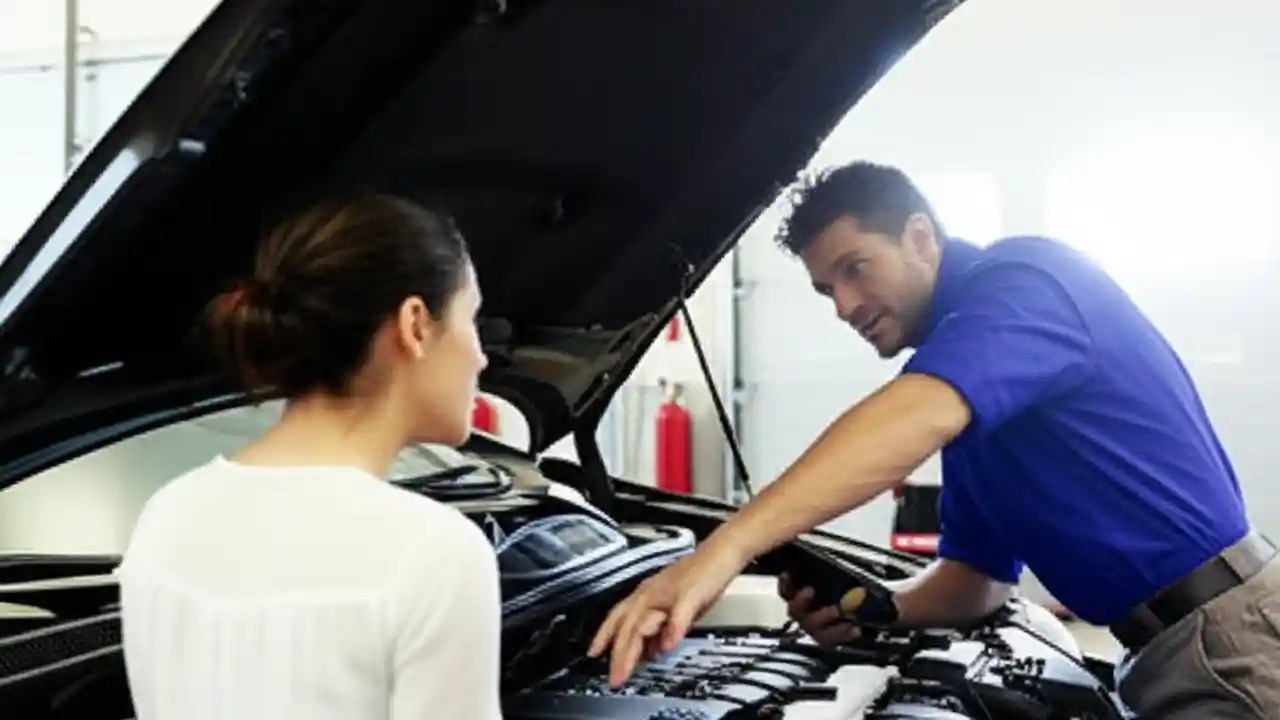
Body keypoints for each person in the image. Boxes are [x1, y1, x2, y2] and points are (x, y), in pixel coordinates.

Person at [587, 161, 1280, 717]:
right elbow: (975, 582)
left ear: (920, 236)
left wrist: (724, 550)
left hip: (1229, 641)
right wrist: (876, 612)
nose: (846, 308)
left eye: (855, 268)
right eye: (827, 290)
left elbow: (913, 414)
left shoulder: (1026, 284)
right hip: (1162, 656)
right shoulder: (983, 413)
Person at [115, 194, 502, 719]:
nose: (481, 354)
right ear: (414, 325)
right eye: (472, 319)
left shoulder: (166, 515)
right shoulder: (434, 553)